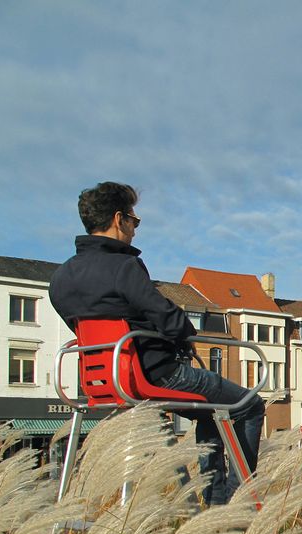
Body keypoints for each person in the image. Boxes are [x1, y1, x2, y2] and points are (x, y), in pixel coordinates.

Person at [49, 181, 265, 505]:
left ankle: (215, 500)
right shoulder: (124, 266)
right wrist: (178, 332)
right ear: (118, 219)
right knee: (250, 405)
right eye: (134, 222)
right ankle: (236, 501)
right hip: (156, 373)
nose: (135, 231)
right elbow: (170, 319)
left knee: (209, 414)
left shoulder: (61, 278)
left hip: (103, 383)